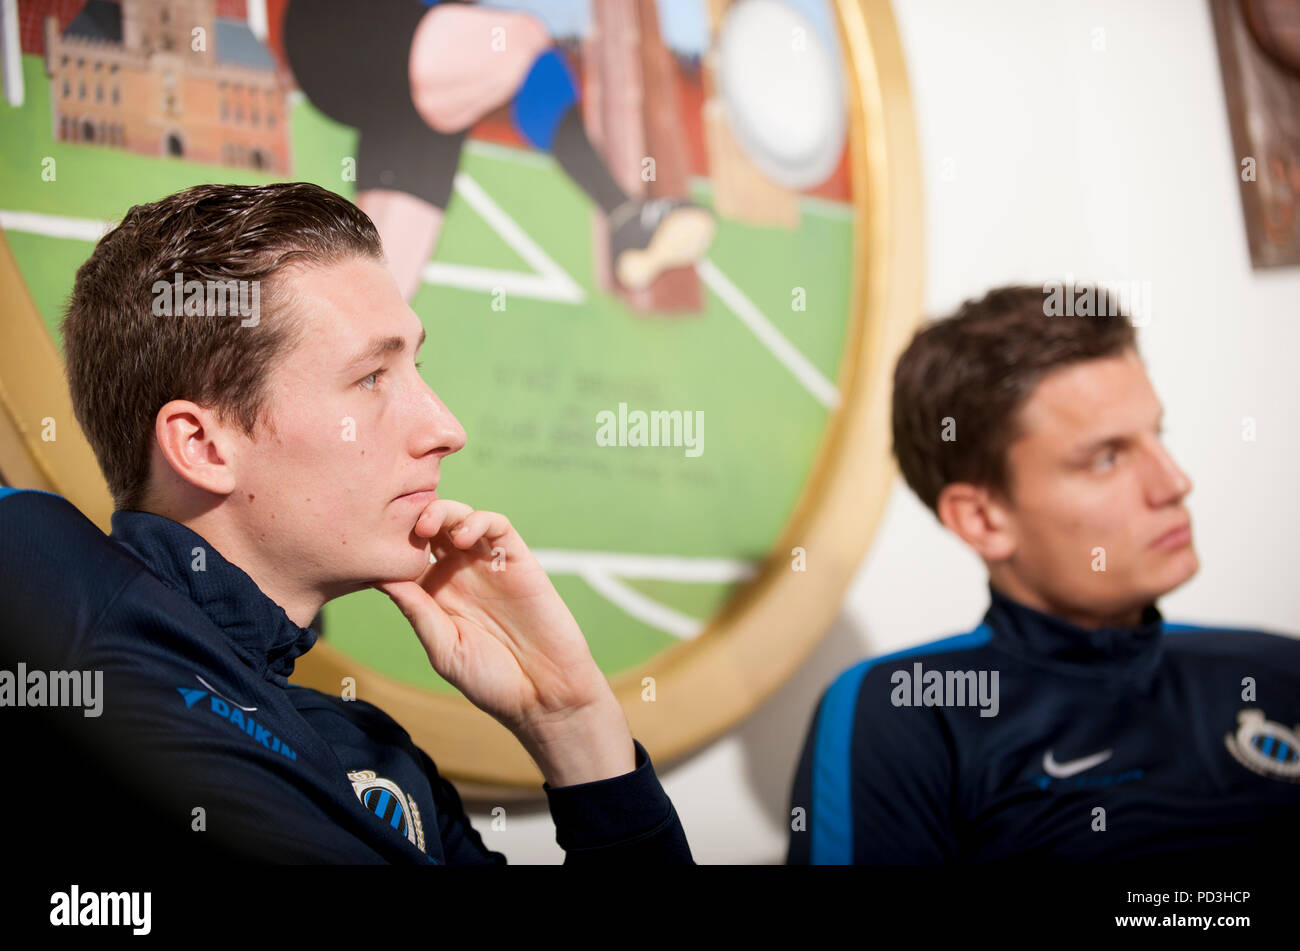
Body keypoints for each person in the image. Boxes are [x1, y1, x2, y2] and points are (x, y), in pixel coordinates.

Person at [0, 180, 692, 864]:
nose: (447, 429)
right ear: (203, 447)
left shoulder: (379, 756)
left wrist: (570, 721)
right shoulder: (59, 597)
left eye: (415, 366)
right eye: (371, 378)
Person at [787, 284, 1300, 864]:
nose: (1175, 483)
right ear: (983, 519)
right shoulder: (907, 713)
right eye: (1106, 458)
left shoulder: (1276, 668)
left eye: (1158, 436)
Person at [274, 0, 716, 301]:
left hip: (410, 82)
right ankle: (625, 216)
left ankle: (626, 221)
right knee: (521, 39)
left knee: (383, 300)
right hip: (348, 26)